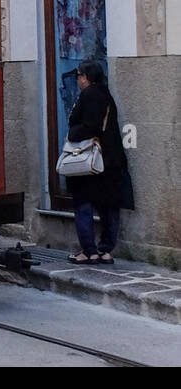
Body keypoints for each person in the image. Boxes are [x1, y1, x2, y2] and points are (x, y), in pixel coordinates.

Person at [65, 60, 133, 264]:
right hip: (111, 160)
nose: (78, 80)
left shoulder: (89, 95)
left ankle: (89, 251)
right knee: (109, 205)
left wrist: (72, 133)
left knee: (84, 204)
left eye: (79, 76)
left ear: (85, 77)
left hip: (92, 161)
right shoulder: (106, 94)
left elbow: (90, 126)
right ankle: (106, 250)